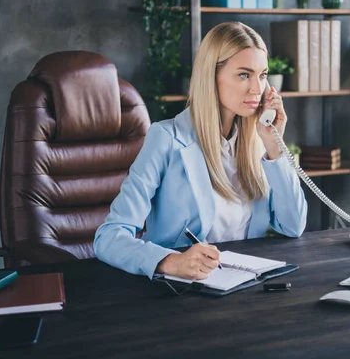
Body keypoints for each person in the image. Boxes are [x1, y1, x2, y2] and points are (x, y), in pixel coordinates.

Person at [94, 22, 308, 280]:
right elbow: (109, 238)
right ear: (211, 76)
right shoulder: (166, 139)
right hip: (184, 288)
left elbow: (292, 226)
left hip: (245, 284)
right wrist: (170, 261)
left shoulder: (257, 142)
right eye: (244, 75)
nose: (257, 89)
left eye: (262, 75)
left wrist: (275, 148)